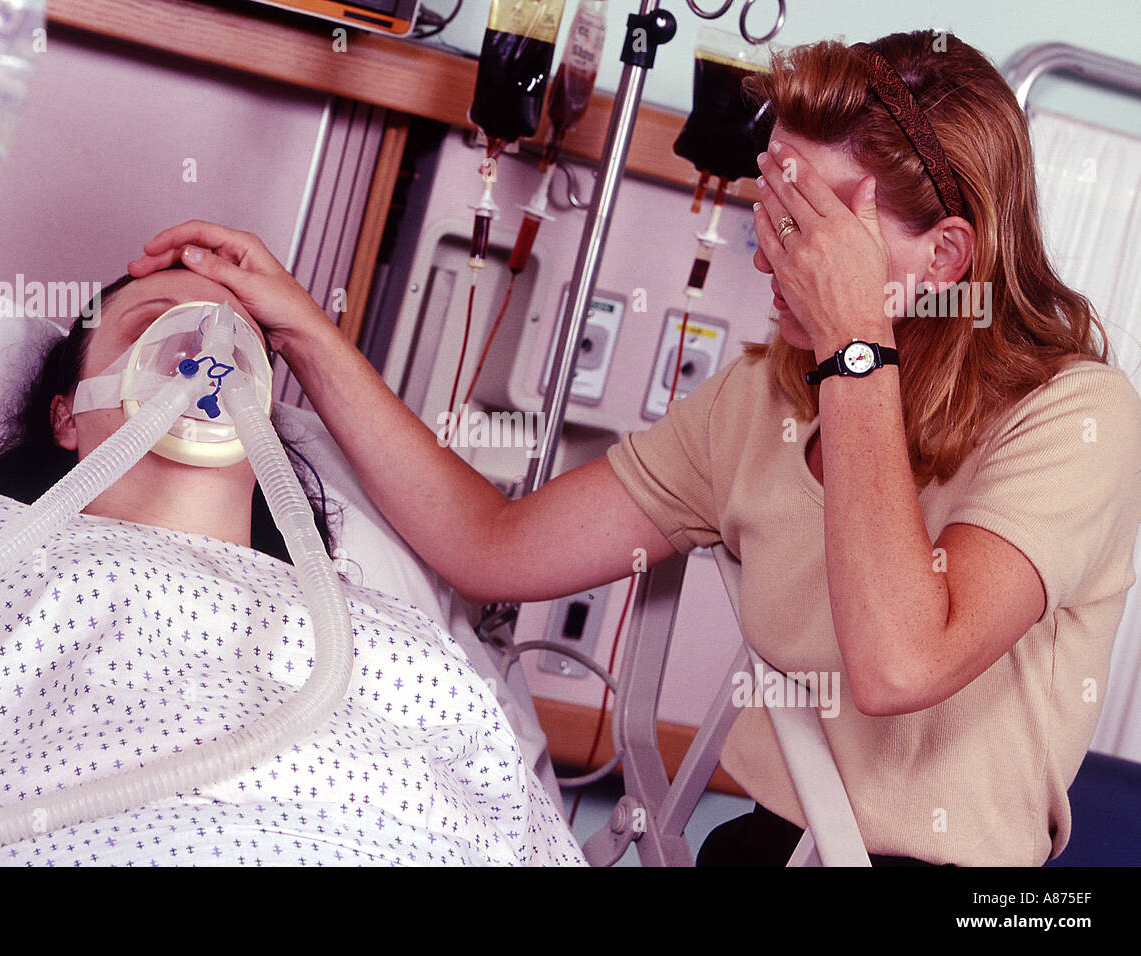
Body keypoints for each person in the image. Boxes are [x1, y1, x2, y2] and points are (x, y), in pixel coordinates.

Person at [120, 31, 1141, 866]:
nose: (763, 250)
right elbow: (493, 544)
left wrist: (856, 349)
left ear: (945, 257)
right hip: (768, 848)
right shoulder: (764, 400)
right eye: (765, 209)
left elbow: (899, 659)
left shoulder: (1076, 419)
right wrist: (304, 327)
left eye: (806, 224)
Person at [0, 265, 585, 865]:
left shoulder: (398, 634)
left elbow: (529, 839)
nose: (204, 347)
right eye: (155, 321)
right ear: (67, 414)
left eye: (237, 343)